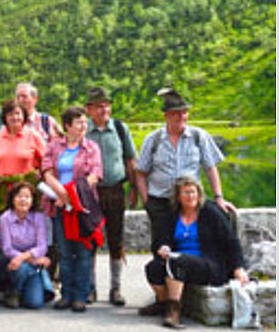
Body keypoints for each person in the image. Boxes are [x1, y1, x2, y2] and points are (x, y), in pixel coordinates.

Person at [139, 176, 249, 329]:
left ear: (199, 194)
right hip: (179, 260)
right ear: (178, 196)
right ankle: (164, 303)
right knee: (153, 268)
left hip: (208, 263)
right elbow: (162, 239)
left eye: (193, 192)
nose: (190, 196)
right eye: (185, 193)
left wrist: (239, 268)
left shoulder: (210, 212)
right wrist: (163, 248)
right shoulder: (172, 214)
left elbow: (231, 241)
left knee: (177, 263)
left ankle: (174, 311)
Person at [135, 87, 231, 238]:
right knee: (162, 248)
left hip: (191, 202)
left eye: (184, 112)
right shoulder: (153, 139)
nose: (181, 117)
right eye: (176, 113)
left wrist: (219, 197)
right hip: (161, 202)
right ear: (166, 115)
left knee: (194, 243)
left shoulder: (199, 136)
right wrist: (147, 202)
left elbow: (210, 167)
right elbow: (140, 173)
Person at [41, 106, 104, 312]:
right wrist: (62, 194)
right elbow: (47, 172)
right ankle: (66, 294)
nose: (83, 126)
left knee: (83, 252)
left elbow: (95, 175)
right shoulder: (54, 146)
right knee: (65, 252)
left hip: (83, 205)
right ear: (67, 126)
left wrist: (73, 195)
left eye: (85, 123)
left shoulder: (92, 147)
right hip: (59, 205)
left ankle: (81, 295)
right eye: (79, 123)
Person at [84, 86, 138, 306]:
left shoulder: (119, 128)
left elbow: (130, 159)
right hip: (91, 192)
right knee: (90, 240)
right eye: (98, 106)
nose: (104, 109)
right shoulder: (83, 130)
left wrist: (134, 188)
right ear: (89, 109)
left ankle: (116, 288)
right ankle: (90, 288)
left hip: (116, 189)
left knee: (116, 240)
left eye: (106, 105)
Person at [0, 182, 52, 309]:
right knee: (20, 267)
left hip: (31, 265)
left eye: (27, 197)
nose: (23, 200)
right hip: (12, 262)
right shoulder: (5, 218)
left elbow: (42, 247)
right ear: (12, 199)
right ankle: (12, 291)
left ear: (32, 200)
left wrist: (24, 257)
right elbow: (7, 249)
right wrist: (31, 259)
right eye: (19, 196)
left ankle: (24, 291)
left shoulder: (39, 218)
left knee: (35, 303)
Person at [0, 99, 45, 214]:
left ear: (24, 116)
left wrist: (41, 172)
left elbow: (47, 161)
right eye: (10, 114)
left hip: (27, 191)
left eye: (17, 114)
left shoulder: (33, 136)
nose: (14, 117)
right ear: (5, 117)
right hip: (4, 190)